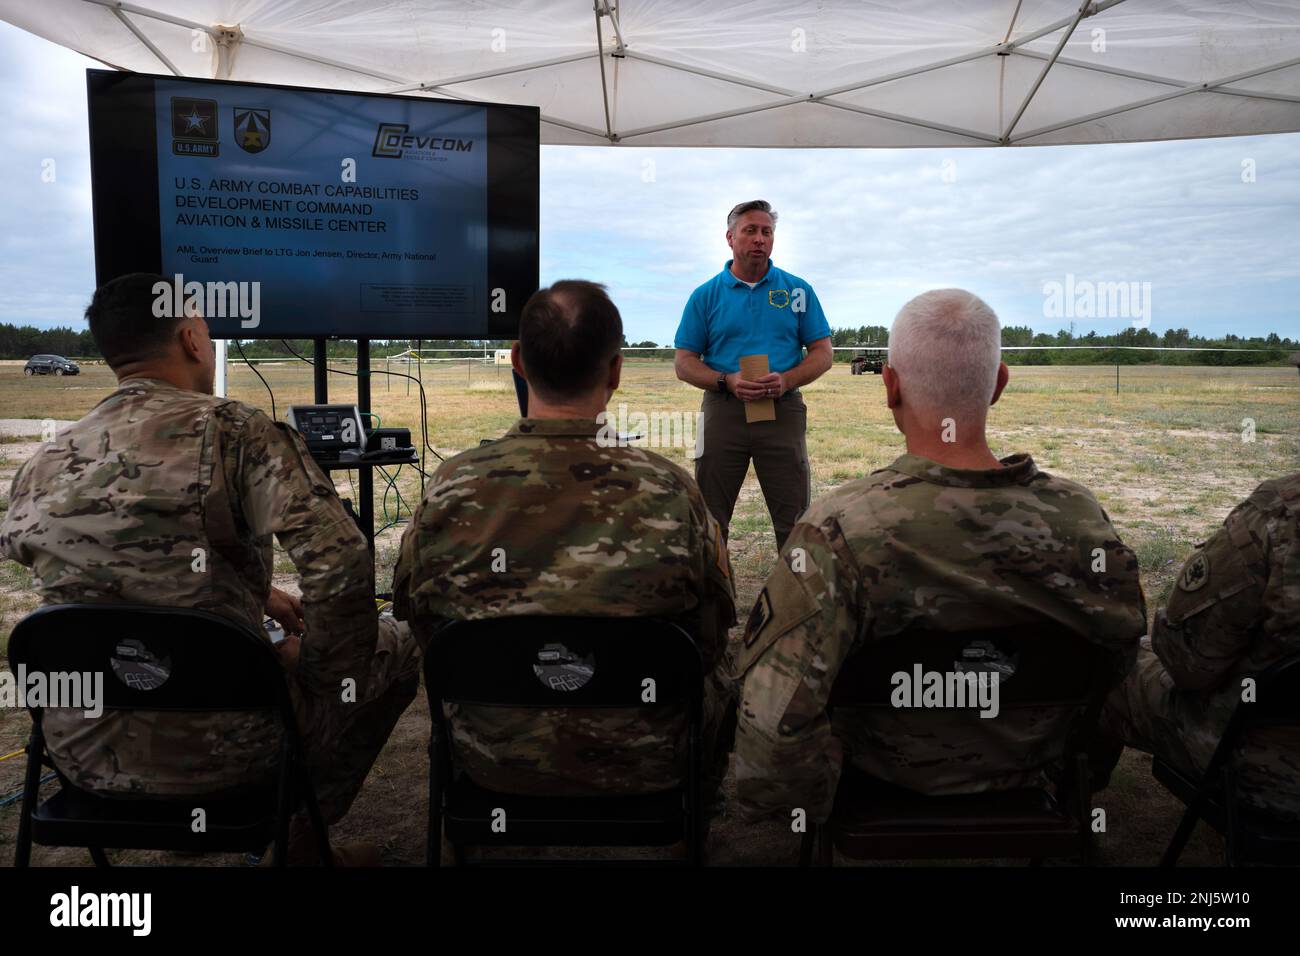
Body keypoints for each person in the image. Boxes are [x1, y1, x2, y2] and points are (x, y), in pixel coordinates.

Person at [0, 273, 419, 864]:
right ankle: (300, 838)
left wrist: (253, 591)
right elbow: (341, 559)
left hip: (84, 754)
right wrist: (321, 669)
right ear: (193, 336)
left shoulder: (44, 459)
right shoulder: (236, 432)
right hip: (236, 746)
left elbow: (102, 566)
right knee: (400, 647)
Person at [733, 288, 1147, 822]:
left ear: (890, 386)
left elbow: (772, 729)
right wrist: (1078, 779)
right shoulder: (1082, 519)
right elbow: (1120, 664)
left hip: (873, 782)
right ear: (998, 385)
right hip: (1033, 775)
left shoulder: (837, 530)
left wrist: (814, 798)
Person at [394, 279, 736, 803]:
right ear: (617, 370)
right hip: (649, 759)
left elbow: (421, 619)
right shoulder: (672, 490)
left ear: (517, 362)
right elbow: (710, 634)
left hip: (493, 758)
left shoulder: (448, 488)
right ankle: (696, 818)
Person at [1100, 473, 1300, 821]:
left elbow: (1189, 663)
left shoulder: (1281, 513)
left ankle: (1068, 806)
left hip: (1270, 770)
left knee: (1109, 660)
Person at [673, 199, 833, 552]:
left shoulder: (797, 292)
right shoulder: (705, 296)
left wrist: (787, 380)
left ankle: (794, 600)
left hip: (782, 409)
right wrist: (724, 381)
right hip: (723, 410)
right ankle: (714, 600)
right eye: (750, 231)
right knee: (712, 517)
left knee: (792, 517)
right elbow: (684, 361)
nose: (760, 239)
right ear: (730, 238)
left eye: (767, 232)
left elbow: (823, 354)